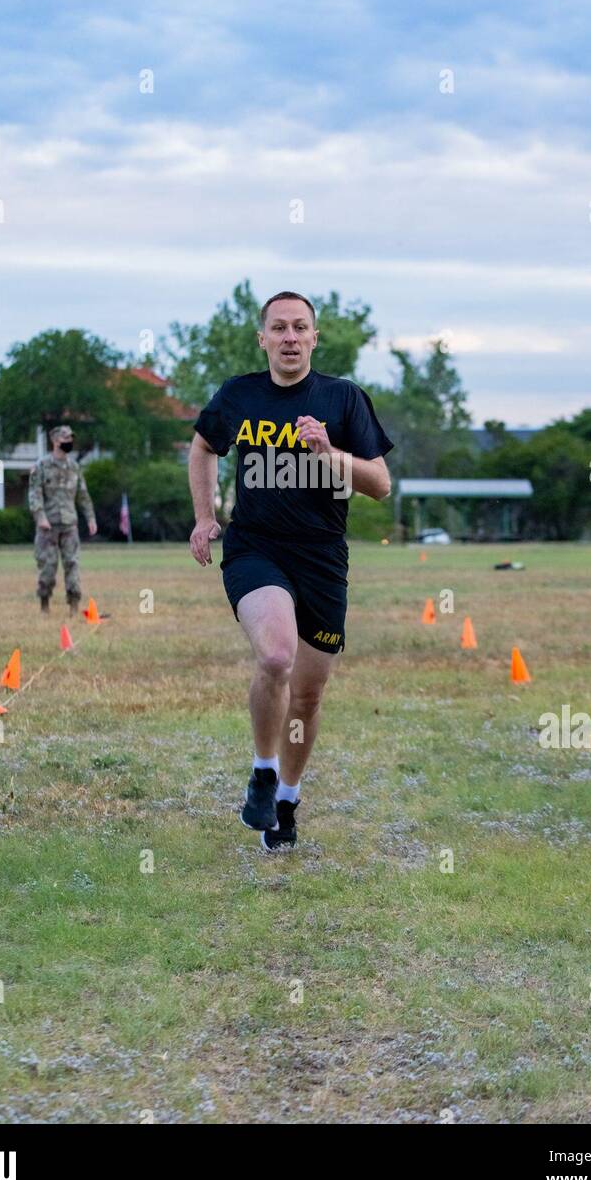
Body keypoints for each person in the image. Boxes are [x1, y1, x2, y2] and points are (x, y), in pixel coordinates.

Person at [188, 291, 393, 850]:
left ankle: (287, 798)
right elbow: (203, 446)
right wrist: (205, 518)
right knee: (276, 655)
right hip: (256, 548)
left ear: (314, 337)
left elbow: (380, 484)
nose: (290, 337)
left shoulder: (343, 398)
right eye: (278, 327)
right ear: (263, 338)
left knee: (307, 694)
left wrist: (331, 454)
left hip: (323, 556)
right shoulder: (239, 394)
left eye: (300, 327)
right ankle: (262, 768)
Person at [28, 425, 97, 615]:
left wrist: (90, 518)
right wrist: (40, 517)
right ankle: (44, 605)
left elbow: (83, 495)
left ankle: (74, 606)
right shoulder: (41, 466)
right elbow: (34, 495)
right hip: (48, 526)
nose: (69, 442)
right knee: (47, 567)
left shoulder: (74, 467)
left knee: (72, 564)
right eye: (65, 439)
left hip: (69, 524)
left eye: (70, 439)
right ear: (55, 441)